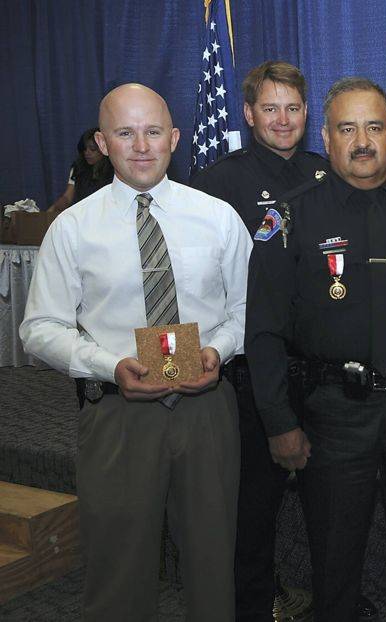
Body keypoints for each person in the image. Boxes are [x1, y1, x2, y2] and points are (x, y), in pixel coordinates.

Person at [20, 83, 251, 621]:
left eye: (153, 132)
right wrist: (109, 365)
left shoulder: (218, 217)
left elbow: (248, 310)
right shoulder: (72, 228)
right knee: (117, 573)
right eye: (125, 133)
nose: (142, 146)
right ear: (103, 143)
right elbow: (40, 327)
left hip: (207, 411)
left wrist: (217, 350)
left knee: (214, 566)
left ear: (175, 138)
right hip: (117, 416)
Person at [244, 76, 386, 622]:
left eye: (373, 127)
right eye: (347, 129)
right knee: (335, 556)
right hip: (333, 412)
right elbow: (264, 331)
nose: (362, 142)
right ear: (325, 137)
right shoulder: (289, 219)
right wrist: (279, 422)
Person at [189, 60, 376, 622]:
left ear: (308, 113)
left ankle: (335, 597)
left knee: (330, 501)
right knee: (256, 502)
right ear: (248, 114)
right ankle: (254, 603)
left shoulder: (330, 170)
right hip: (256, 368)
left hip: (322, 371)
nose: (282, 119)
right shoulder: (219, 183)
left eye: (293, 108)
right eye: (270, 108)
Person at [48, 127, 114, 212]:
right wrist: (53, 209)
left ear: (103, 148)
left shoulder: (115, 170)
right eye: (84, 149)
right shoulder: (78, 168)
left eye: (92, 149)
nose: (87, 153)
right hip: (81, 213)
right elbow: (67, 197)